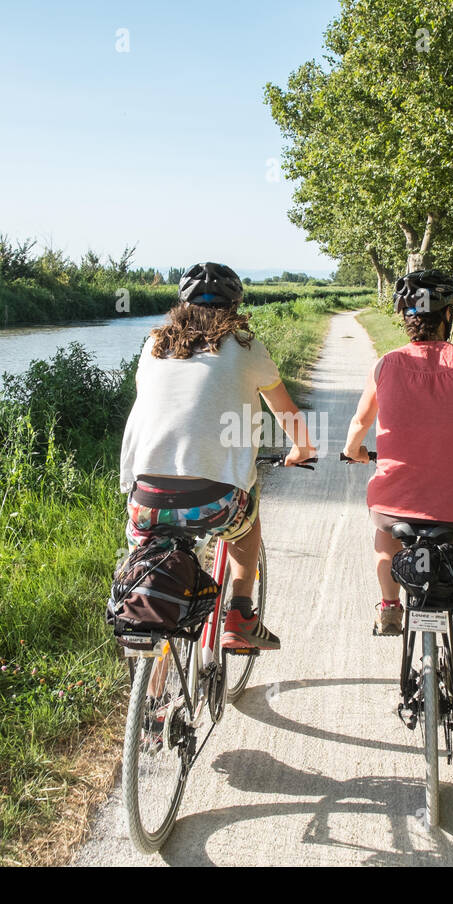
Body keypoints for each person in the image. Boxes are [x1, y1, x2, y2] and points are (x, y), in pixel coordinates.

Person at [119, 261, 316, 651]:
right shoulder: (246, 348)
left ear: (181, 305)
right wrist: (302, 449)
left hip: (145, 500)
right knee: (247, 522)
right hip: (214, 501)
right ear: (235, 307)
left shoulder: (154, 346)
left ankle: (150, 693)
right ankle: (240, 616)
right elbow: (287, 414)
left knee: (149, 576)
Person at [342, 269, 453, 720]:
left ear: (405, 318)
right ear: (449, 315)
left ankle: (390, 606)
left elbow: (359, 425)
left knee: (384, 531)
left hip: (398, 510)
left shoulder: (385, 365)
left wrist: (353, 450)